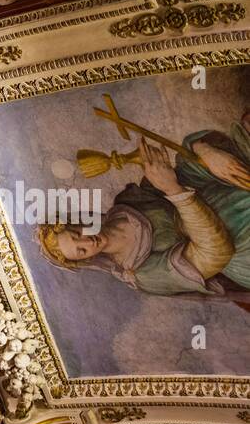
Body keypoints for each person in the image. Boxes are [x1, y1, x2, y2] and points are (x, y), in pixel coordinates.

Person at [36, 120, 250, 303]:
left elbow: (188, 175)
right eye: (81, 250)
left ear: (80, 221)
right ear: (85, 260)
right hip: (243, 246)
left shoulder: (129, 203)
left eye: (77, 234)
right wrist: (174, 190)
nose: (88, 242)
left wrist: (204, 151)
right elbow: (217, 253)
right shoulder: (143, 274)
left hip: (232, 194)